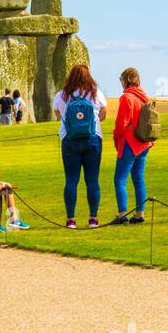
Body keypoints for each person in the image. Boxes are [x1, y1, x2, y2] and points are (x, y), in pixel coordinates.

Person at [53, 64, 108, 229]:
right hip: (93, 139)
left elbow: (58, 114)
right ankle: (93, 219)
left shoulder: (62, 94)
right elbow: (104, 114)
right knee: (92, 181)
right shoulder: (95, 93)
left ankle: (71, 219)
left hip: (69, 140)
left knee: (71, 180)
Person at [110, 67, 152, 225]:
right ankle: (139, 215)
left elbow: (121, 124)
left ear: (126, 80)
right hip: (143, 143)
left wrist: (116, 137)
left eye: (121, 80)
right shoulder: (143, 97)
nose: (120, 83)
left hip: (130, 143)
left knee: (119, 179)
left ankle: (122, 214)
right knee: (138, 179)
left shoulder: (126, 97)